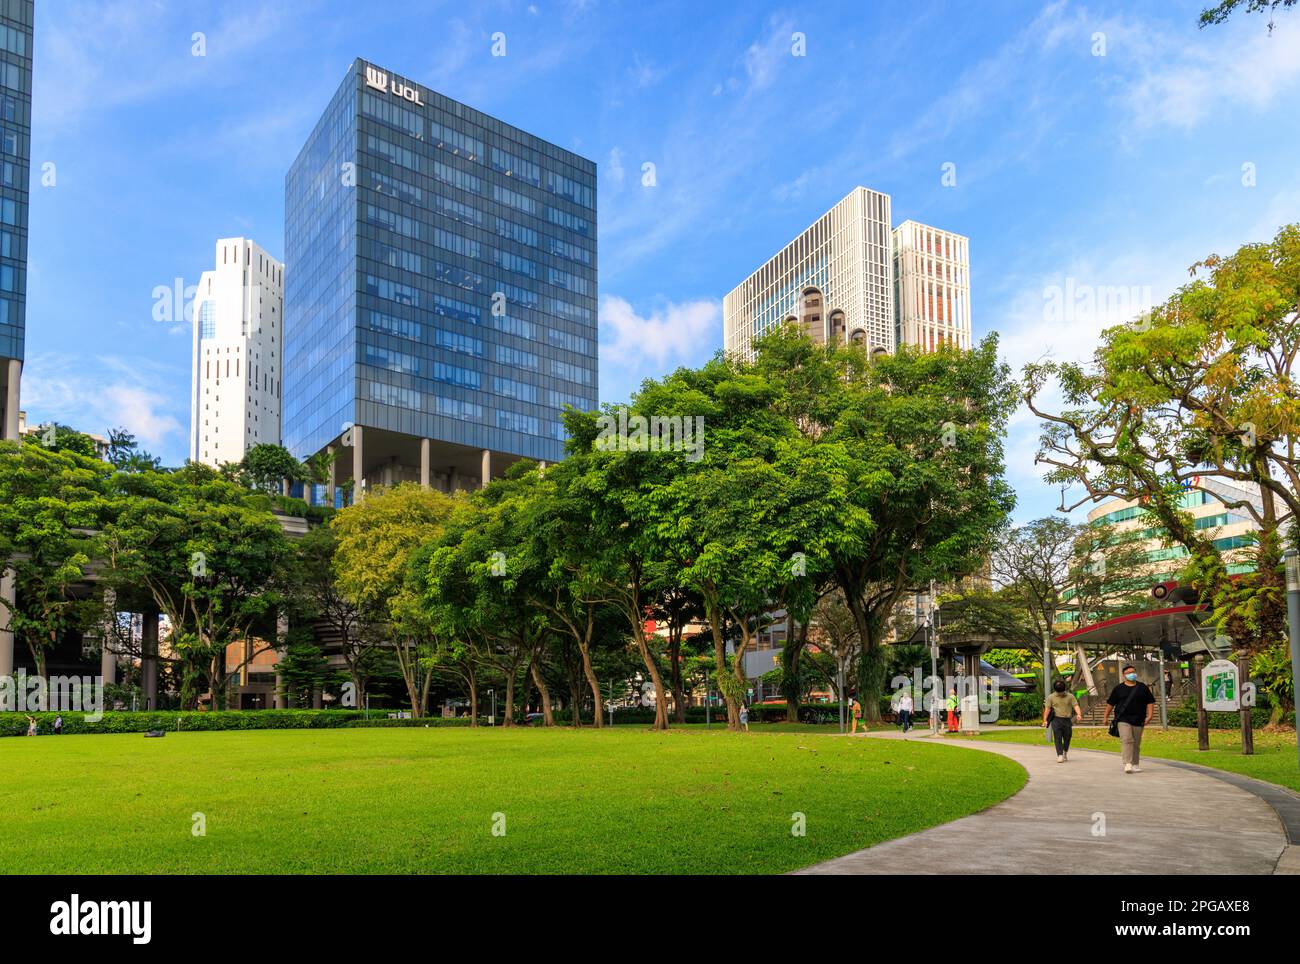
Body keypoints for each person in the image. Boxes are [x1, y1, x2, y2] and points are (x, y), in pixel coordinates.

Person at [1102, 664, 1156, 773]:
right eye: (1128, 673)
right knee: (1126, 739)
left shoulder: (1143, 687)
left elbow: (1150, 702)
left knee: (1136, 742)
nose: (1132, 674)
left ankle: (1135, 764)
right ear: (1124, 675)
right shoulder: (1118, 689)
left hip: (1139, 719)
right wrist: (1105, 716)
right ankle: (1127, 763)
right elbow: (1110, 704)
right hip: (1123, 719)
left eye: (1133, 672)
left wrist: (1150, 716)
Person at [1043, 679, 1082, 762]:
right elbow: (1047, 709)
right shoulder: (1051, 697)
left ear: (1064, 689)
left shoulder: (1070, 696)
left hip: (1067, 720)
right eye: (1058, 692)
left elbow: (1076, 706)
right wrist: (1045, 720)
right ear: (1055, 690)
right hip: (1056, 720)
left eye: (1061, 692)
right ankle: (1059, 755)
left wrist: (1079, 714)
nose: (1060, 694)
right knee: (1057, 737)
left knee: (1067, 738)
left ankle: (1065, 752)